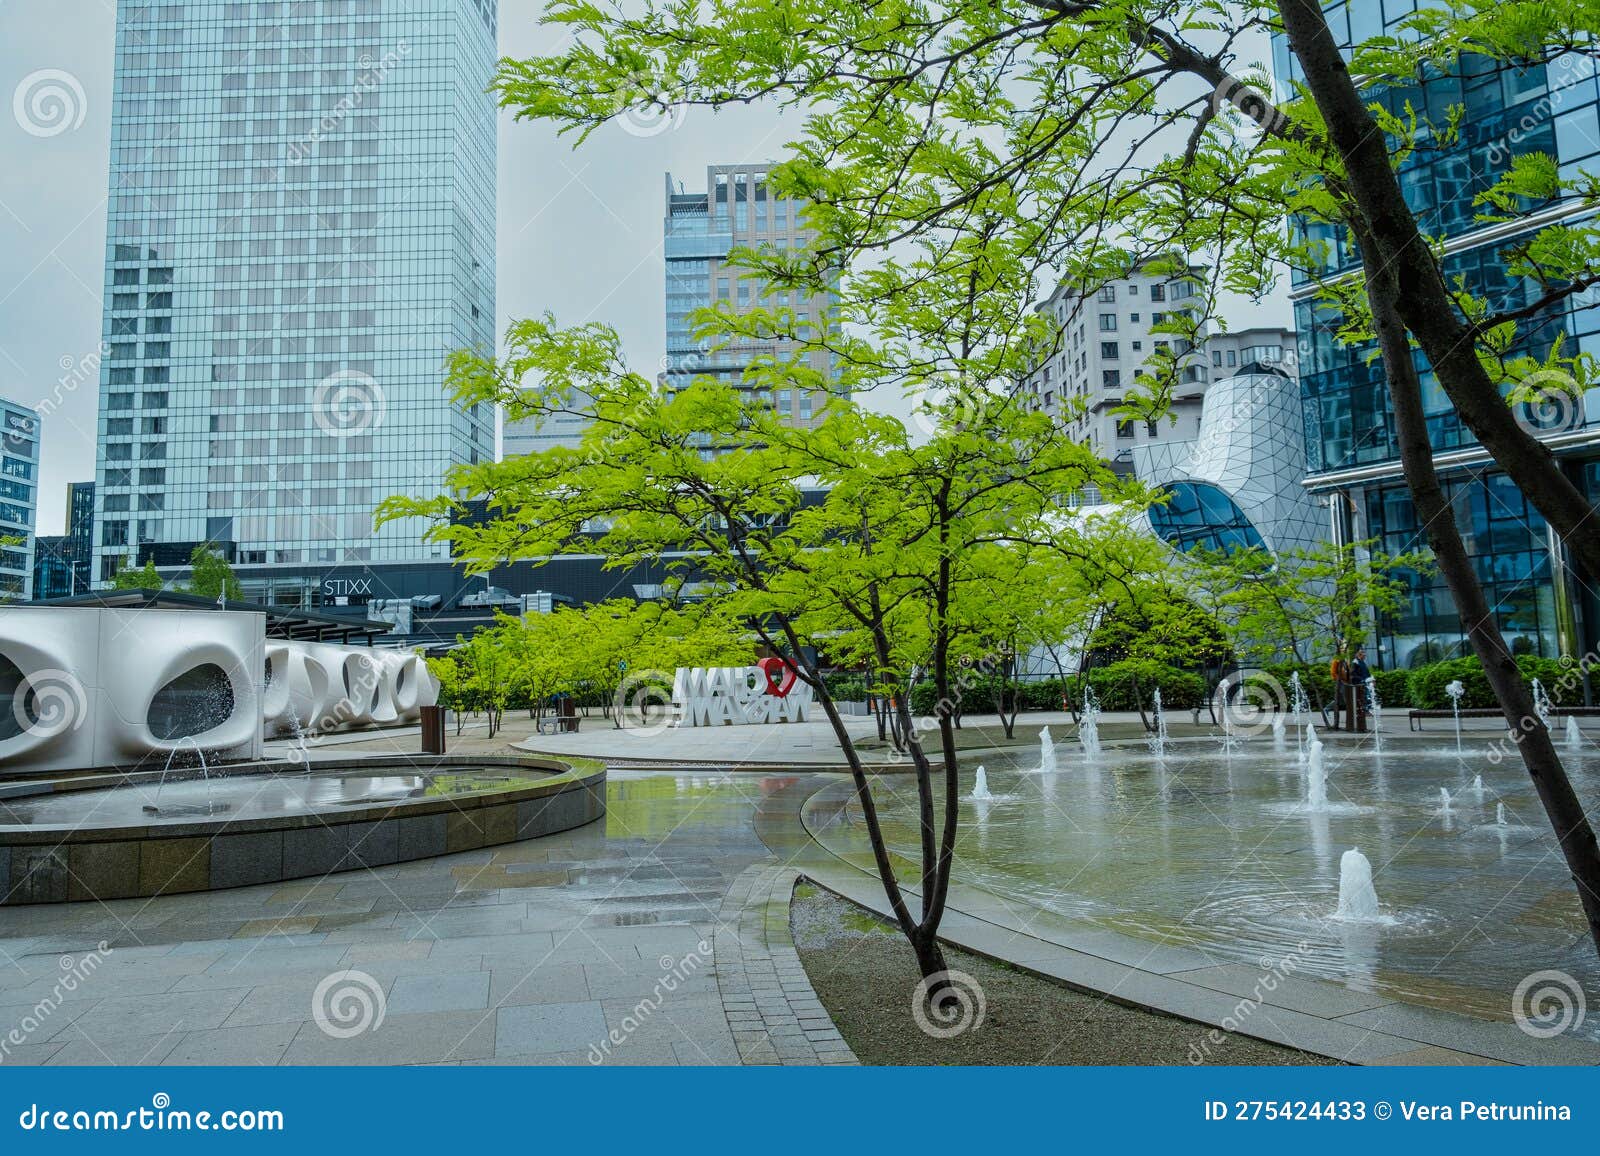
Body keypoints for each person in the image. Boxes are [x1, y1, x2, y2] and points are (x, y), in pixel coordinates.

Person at [1350, 647, 1372, 733]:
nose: (1365, 656)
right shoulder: (1355, 662)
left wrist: (1371, 679)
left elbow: (1366, 672)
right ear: (1360, 655)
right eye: (1364, 654)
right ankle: (1365, 710)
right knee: (1364, 696)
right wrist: (1362, 680)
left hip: (1365, 682)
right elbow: (1353, 674)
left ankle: (1367, 710)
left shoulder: (1362, 662)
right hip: (1360, 683)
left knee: (1368, 696)